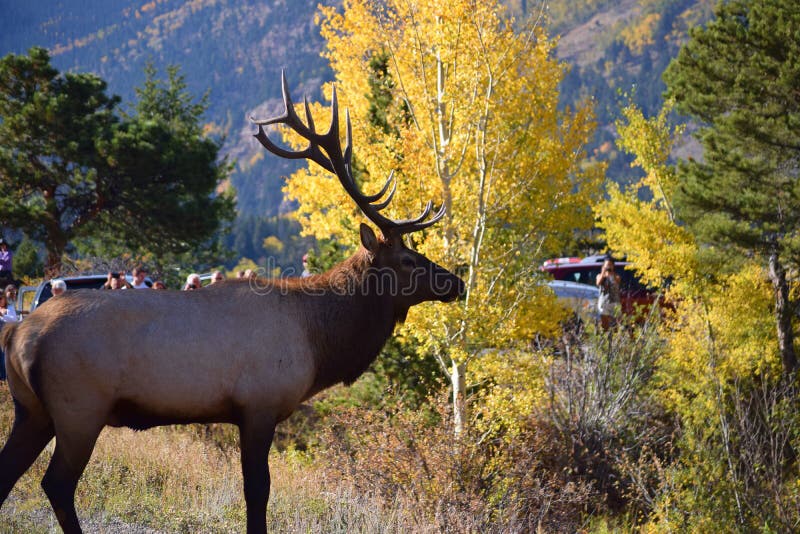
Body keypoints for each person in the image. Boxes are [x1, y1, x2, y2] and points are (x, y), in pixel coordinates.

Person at [0, 291, 21, 381]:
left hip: (6, 336)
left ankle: (5, 378)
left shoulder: (9, 308)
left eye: (0, 298)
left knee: (3, 358)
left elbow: (14, 320)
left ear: (4, 298)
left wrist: (3, 315)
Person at [596, 257, 621, 330]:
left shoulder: (616, 276)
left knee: (615, 325)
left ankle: (614, 339)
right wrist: (603, 272)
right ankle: (606, 339)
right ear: (603, 266)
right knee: (605, 326)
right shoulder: (599, 276)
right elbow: (598, 283)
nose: (608, 267)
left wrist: (611, 273)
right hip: (604, 303)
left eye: (610, 265)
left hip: (615, 302)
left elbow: (618, 282)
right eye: (607, 265)